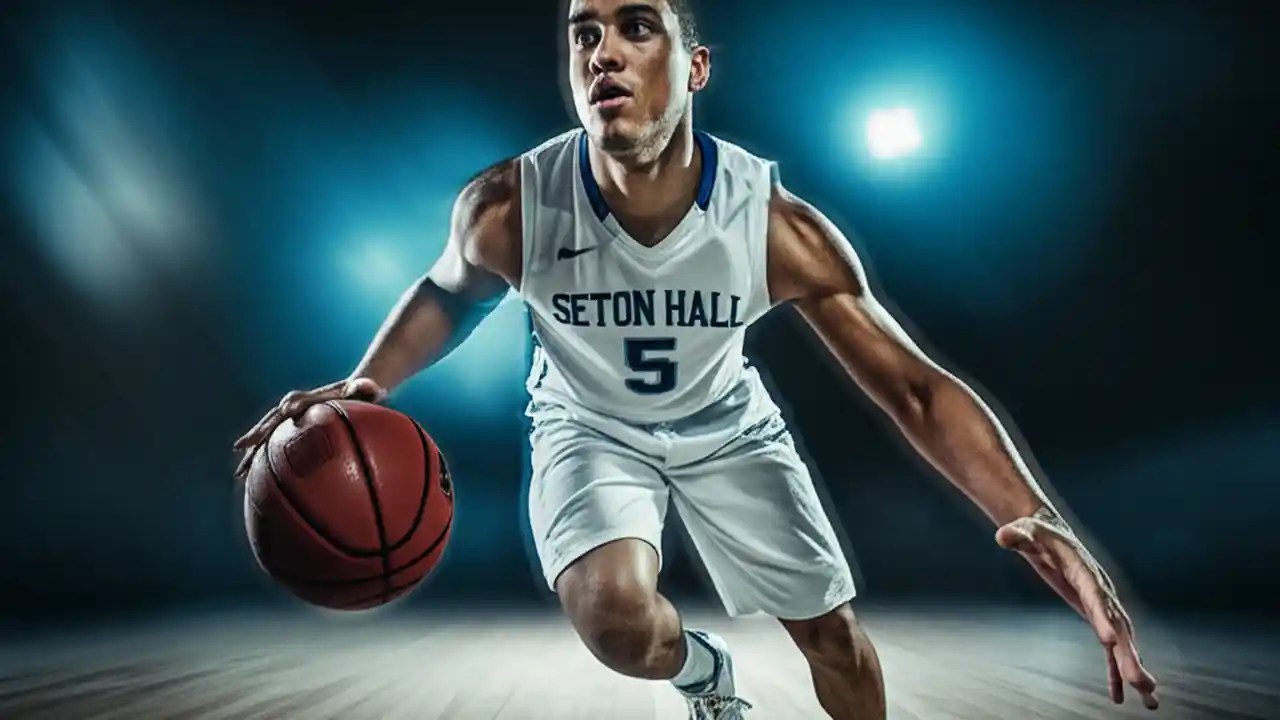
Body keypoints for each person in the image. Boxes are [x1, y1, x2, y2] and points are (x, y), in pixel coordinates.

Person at [233, 1, 1160, 718]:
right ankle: (704, 674)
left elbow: (915, 390)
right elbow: (449, 292)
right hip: (587, 426)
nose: (602, 52)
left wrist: (1033, 514)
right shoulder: (511, 206)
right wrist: (368, 383)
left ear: (696, 66)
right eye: (584, 34)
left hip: (727, 426)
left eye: (637, 28)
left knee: (834, 639)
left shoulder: (772, 225)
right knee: (613, 620)